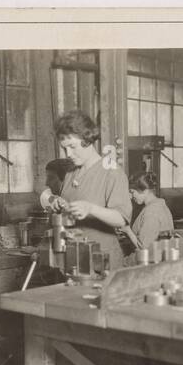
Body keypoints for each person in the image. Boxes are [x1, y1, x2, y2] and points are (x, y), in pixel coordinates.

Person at [39, 110, 132, 266]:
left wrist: (90, 208)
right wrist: (58, 203)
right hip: (74, 257)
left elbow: (121, 219)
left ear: (87, 140)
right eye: (64, 148)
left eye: (72, 146)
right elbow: (69, 208)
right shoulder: (71, 172)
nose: (68, 153)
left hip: (101, 259)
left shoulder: (111, 171)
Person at [125, 172, 175, 250]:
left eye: (132, 192)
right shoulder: (159, 205)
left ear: (144, 191)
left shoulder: (152, 212)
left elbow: (144, 248)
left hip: (150, 258)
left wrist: (127, 230)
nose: (131, 197)